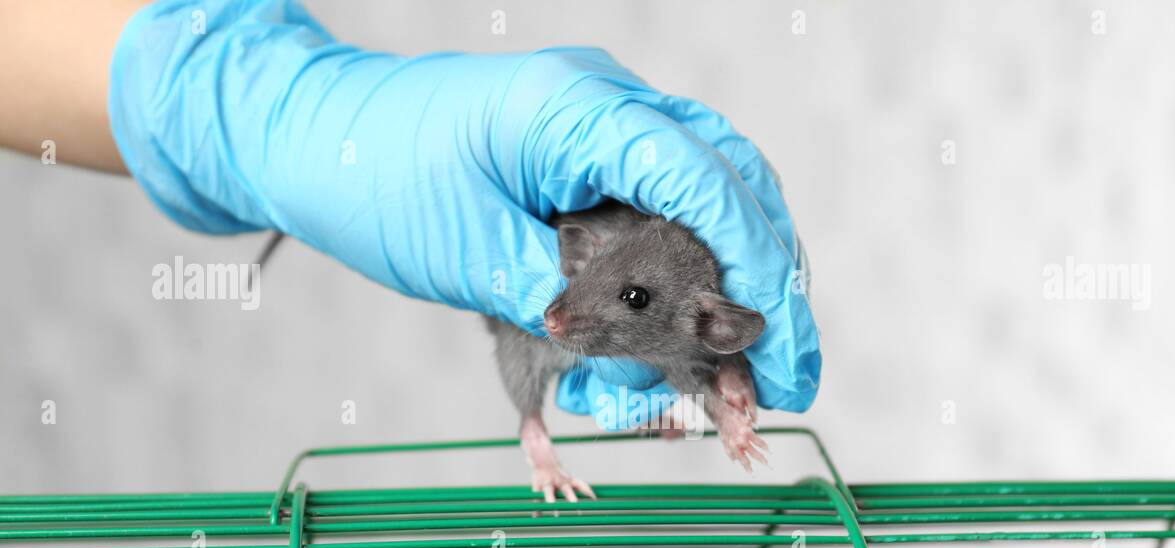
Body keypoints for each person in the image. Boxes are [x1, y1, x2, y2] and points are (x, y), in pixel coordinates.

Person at [0, 0, 821, 427]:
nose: (557, 307)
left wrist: (255, 102)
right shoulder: (586, 259)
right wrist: (266, 114)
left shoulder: (700, 318)